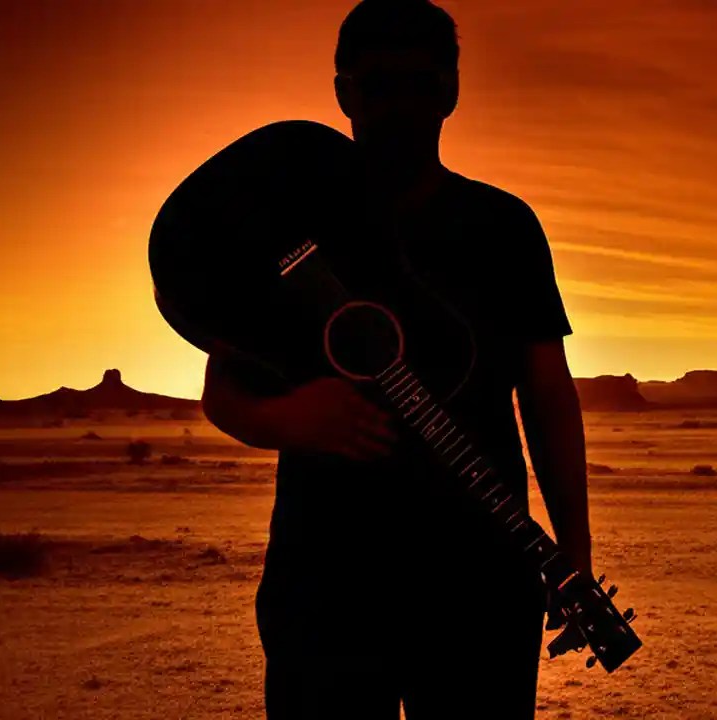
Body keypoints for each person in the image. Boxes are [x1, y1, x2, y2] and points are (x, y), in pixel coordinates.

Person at [199, 1, 592, 718]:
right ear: (344, 92)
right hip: (325, 587)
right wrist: (291, 418)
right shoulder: (290, 228)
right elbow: (222, 391)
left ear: (450, 91)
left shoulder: (502, 227)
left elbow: (547, 397)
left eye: (418, 83)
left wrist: (575, 557)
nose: (398, 106)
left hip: (478, 584)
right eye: (377, 85)